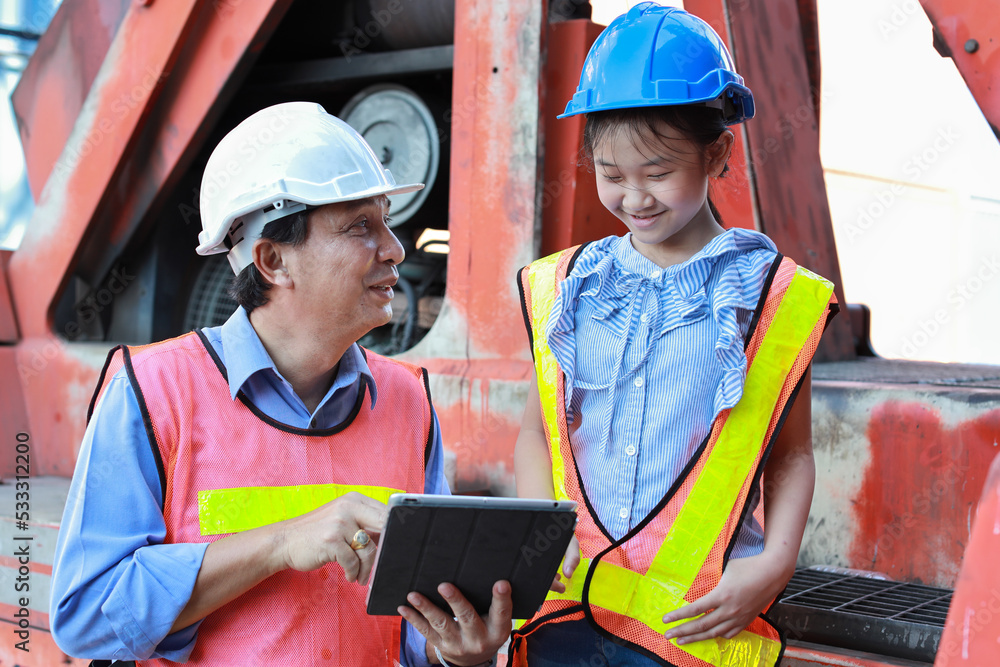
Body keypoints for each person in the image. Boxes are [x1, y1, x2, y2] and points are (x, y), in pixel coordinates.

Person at [49, 102, 510, 667]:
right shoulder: (154, 392)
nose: (395, 248)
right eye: (361, 225)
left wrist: (459, 654)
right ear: (272, 260)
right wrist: (280, 544)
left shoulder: (409, 400)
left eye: (387, 220)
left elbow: (417, 630)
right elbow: (87, 616)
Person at [510, 4, 837, 666]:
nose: (634, 197)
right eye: (611, 173)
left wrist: (774, 563)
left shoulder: (766, 295)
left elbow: (793, 454)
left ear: (717, 152)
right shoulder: (572, 287)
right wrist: (539, 527)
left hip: (698, 624)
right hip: (568, 611)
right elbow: (535, 430)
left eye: (657, 171)